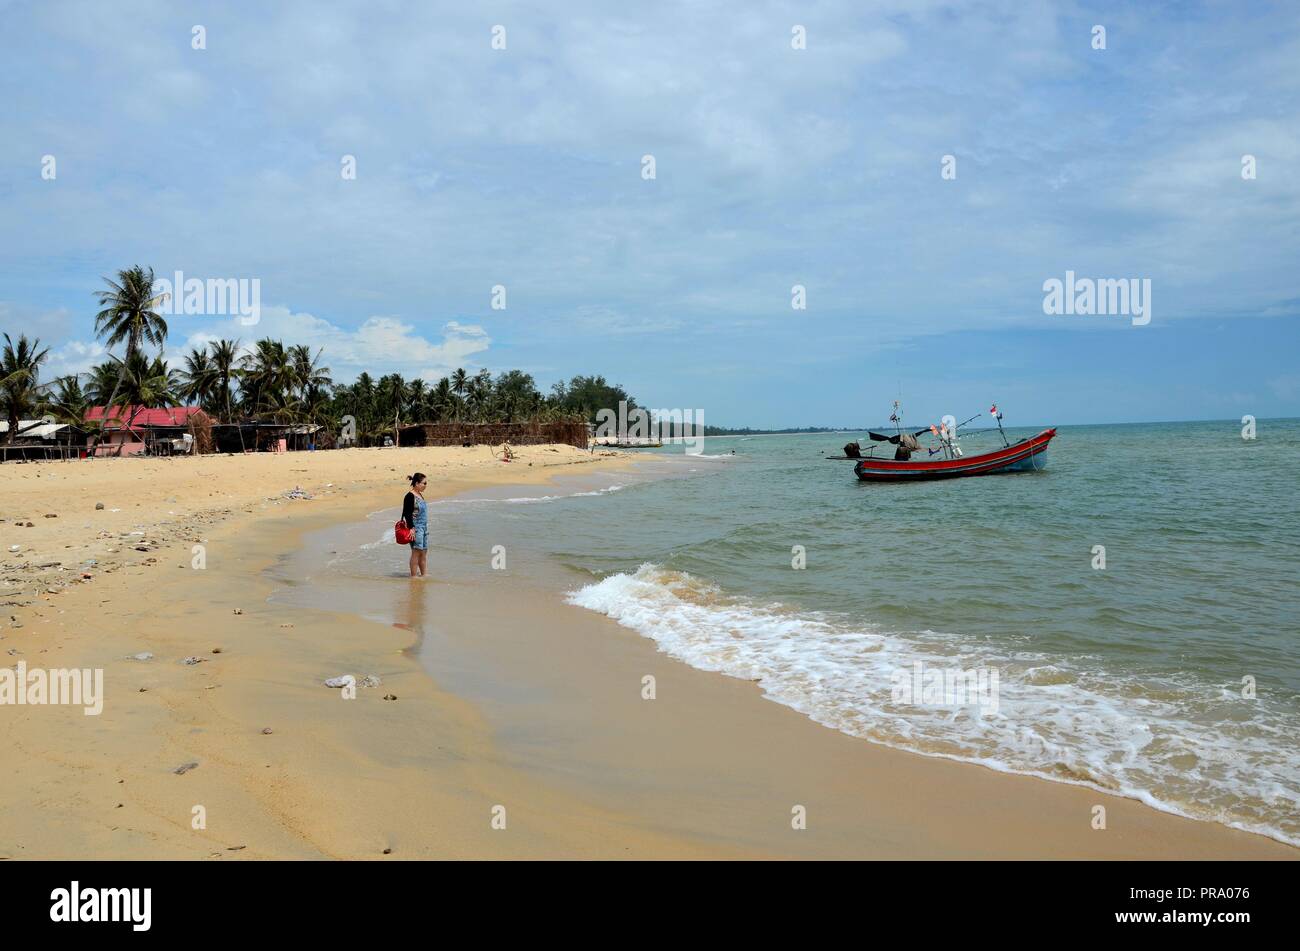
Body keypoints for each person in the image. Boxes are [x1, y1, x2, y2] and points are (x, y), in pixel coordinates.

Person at [402, 473, 429, 577]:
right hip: (416, 528)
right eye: (424, 483)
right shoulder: (409, 496)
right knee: (416, 552)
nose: (426, 485)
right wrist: (411, 528)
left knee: (423, 553)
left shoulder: (420, 495)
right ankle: (413, 577)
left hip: (424, 528)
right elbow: (407, 514)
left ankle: (424, 576)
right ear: (417, 483)